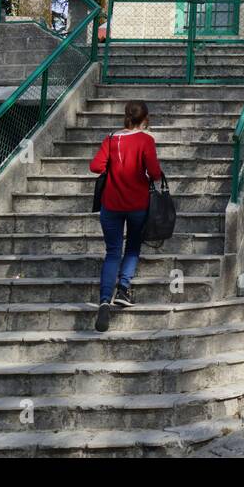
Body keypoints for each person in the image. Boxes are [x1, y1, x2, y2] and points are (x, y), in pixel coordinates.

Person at [89, 100, 163, 332]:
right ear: (146, 119)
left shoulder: (111, 138)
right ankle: (123, 289)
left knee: (112, 252)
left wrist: (114, 166)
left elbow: (95, 166)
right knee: (131, 248)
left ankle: (103, 301)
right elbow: (155, 172)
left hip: (110, 204)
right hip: (137, 205)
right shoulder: (146, 140)